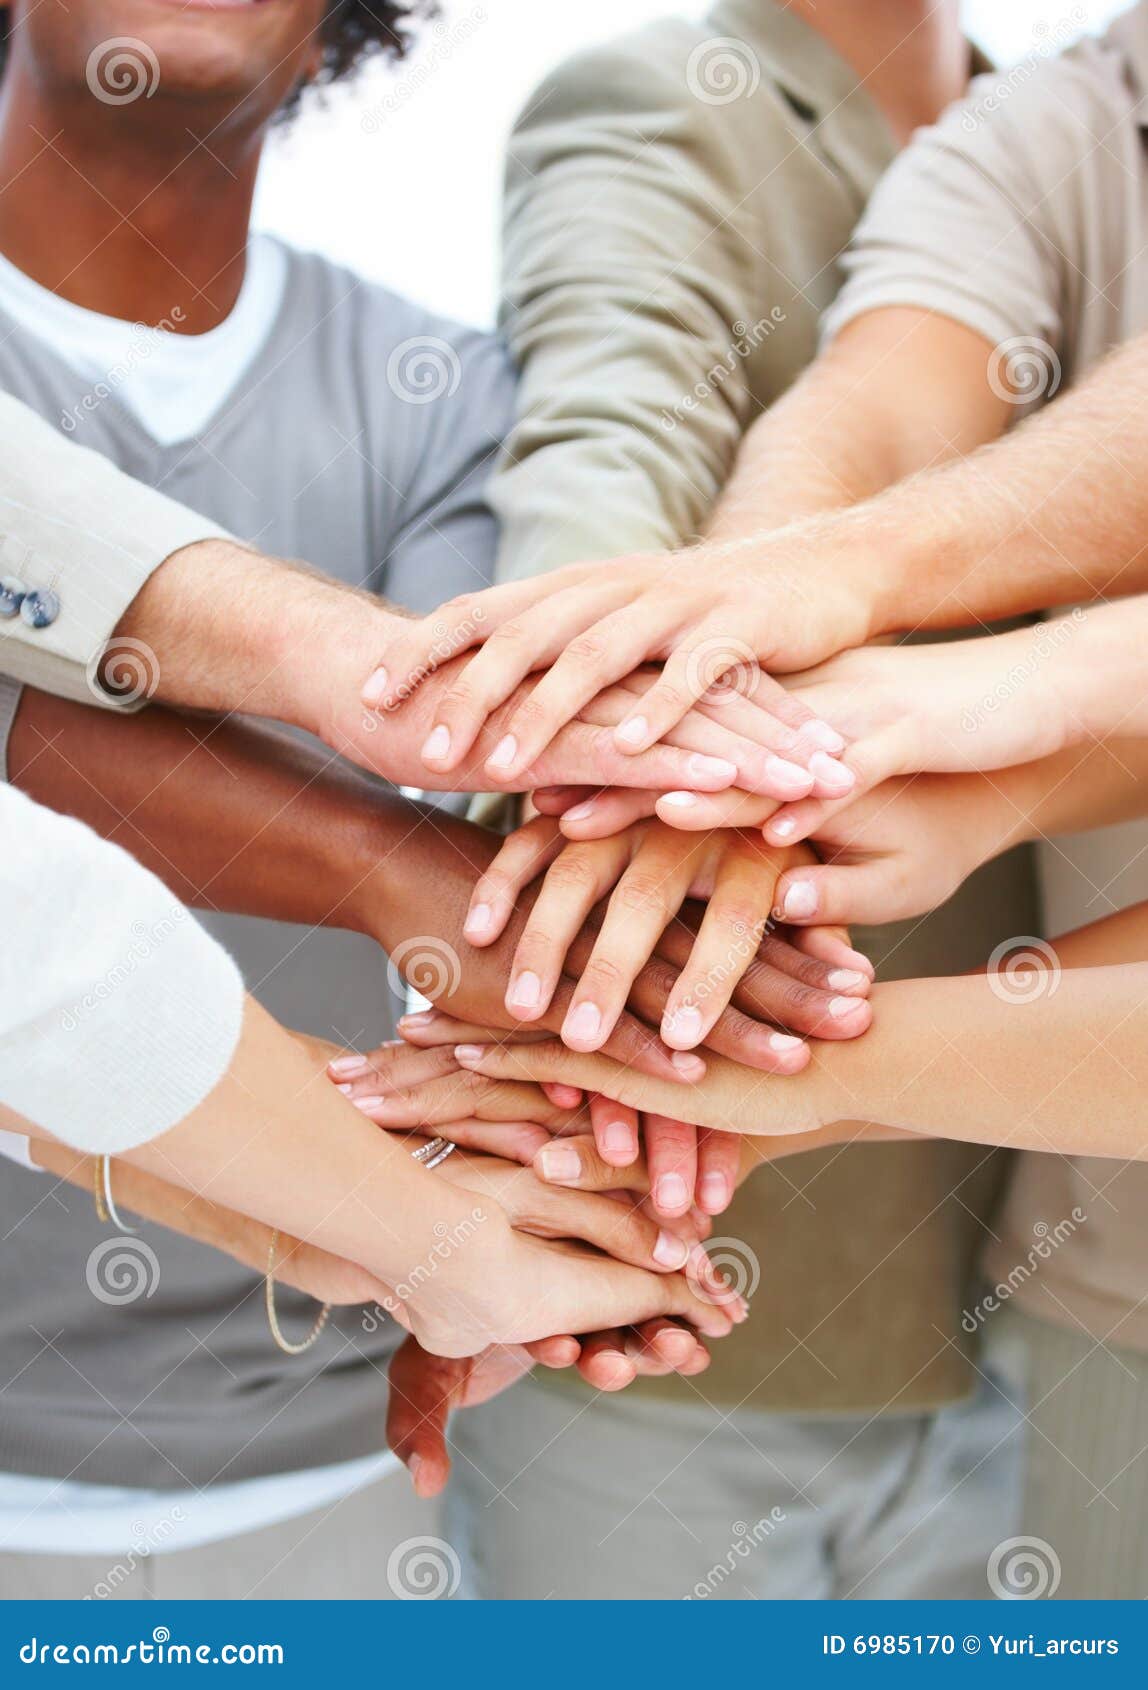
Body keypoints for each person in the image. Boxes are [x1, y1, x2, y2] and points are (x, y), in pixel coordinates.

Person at [384, 0, 1148, 1599]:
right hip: (962, 1269)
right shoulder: (1029, 142)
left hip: (956, 1231)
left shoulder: (1004, 113)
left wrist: (944, 700)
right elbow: (639, 419)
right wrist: (643, 710)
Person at [0, 0, 752, 1600]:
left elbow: (524, 845)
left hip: (311, 1456)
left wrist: (536, 1204)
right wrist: (389, 873)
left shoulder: (438, 392)